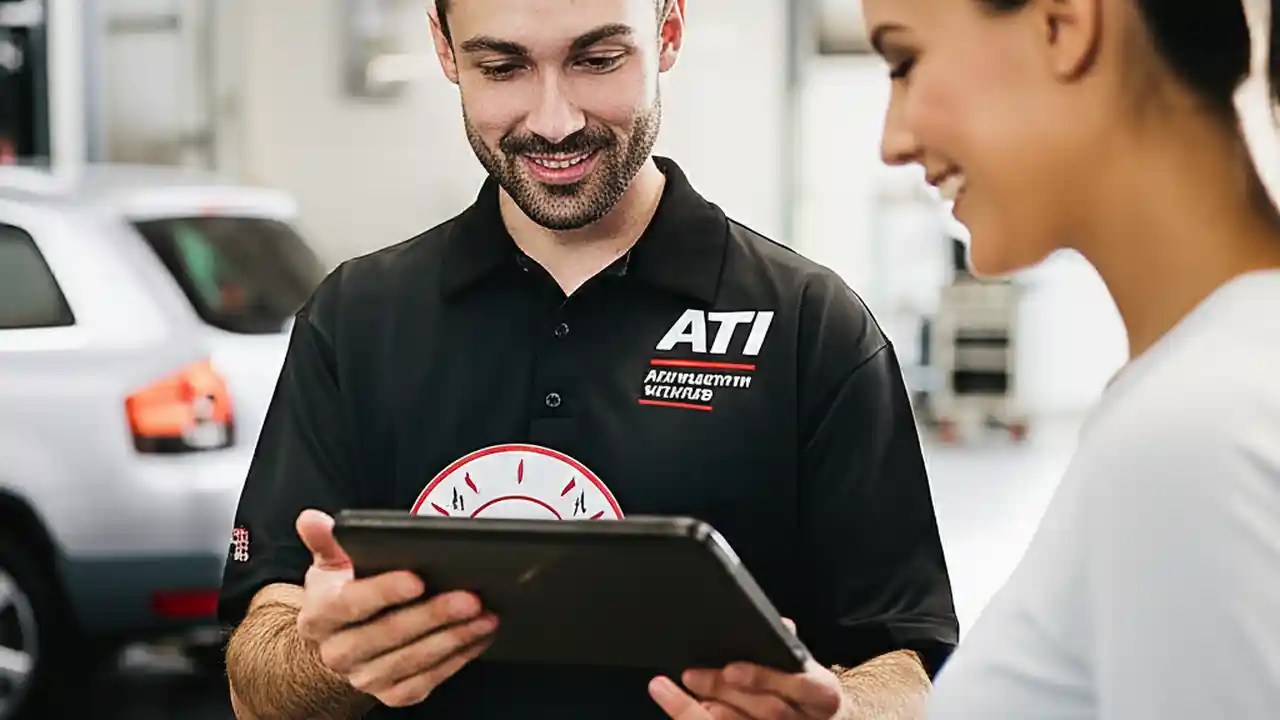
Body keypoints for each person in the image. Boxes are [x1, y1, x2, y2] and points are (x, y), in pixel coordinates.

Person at [218, 1, 959, 718]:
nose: (554, 121)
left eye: (598, 60)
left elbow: (907, 668)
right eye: (502, 66)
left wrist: (842, 713)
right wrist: (334, 660)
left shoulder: (808, 326)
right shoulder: (356, 319)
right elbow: (256, 687)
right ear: (446, 52)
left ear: (668, 32)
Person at [852, 0, 1277, 717]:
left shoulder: (1194, 433)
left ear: (1064, 25)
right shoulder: (1216, 380)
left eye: (905, 62)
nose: (892, 141)